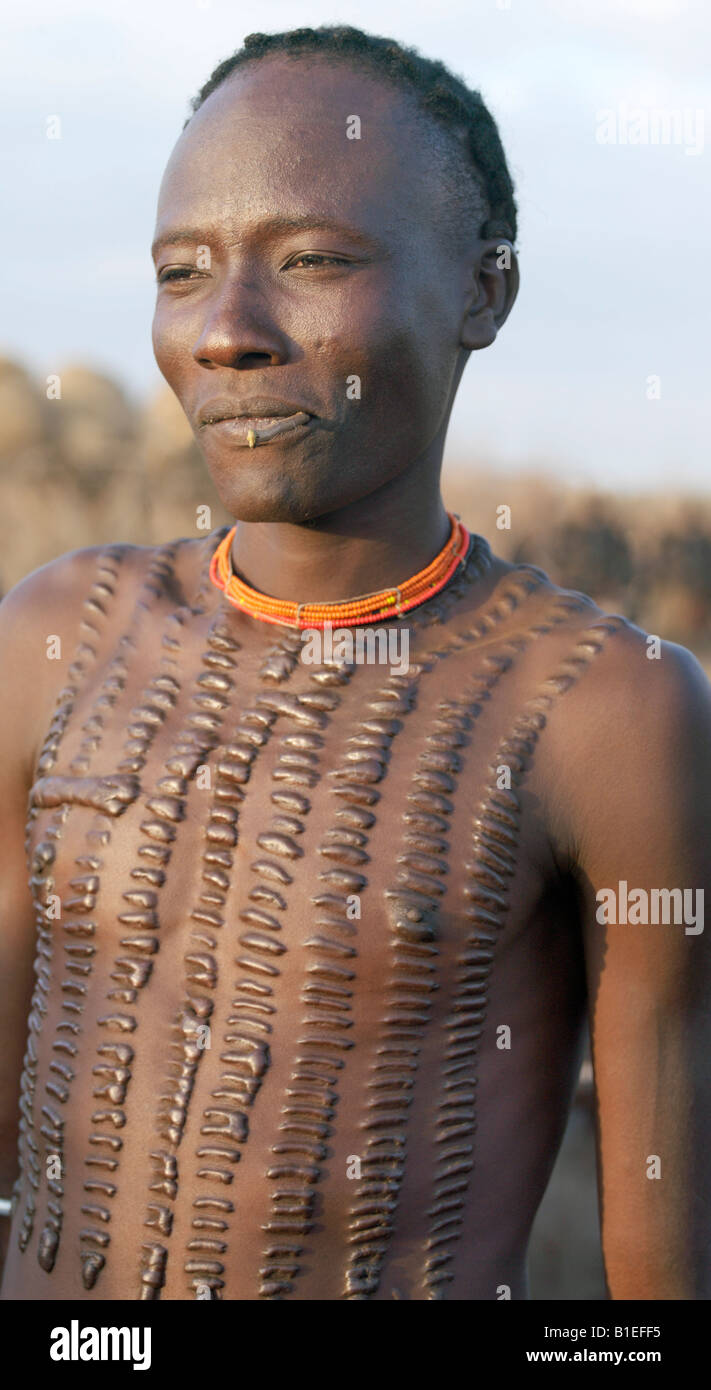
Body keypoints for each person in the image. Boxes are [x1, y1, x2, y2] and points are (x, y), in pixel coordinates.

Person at [1, 24, 710, 1302]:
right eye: (182, 270)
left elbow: (662, 1263)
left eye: (314, 260)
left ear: (485, 291)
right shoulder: (54, 641)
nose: (226, 330)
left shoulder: (608, 712)